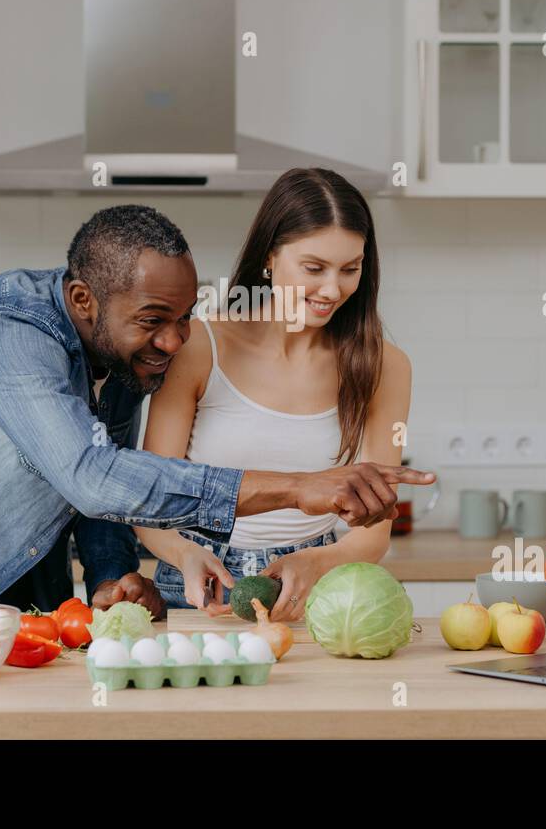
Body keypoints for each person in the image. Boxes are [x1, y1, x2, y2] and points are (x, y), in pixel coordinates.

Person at [0, 204, 434, 619]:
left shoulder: (126, 351)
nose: (174, 341)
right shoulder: (9, 332)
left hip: (27, 558)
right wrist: (297, 488)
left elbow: (113, 488)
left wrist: (113, 578)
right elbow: (88, 473)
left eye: (185, 318)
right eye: (153, 321)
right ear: (84, 300)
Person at [136, 169, 408, 621]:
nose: (331, 289)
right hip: (199, 591)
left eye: (350, 269)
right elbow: (150, 498)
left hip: (315, 590)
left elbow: (374, 530)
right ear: (270, 256)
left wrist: (316, 562)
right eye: (314, 268)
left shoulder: (384, 366)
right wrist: (184, 554)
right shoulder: (201, 347)